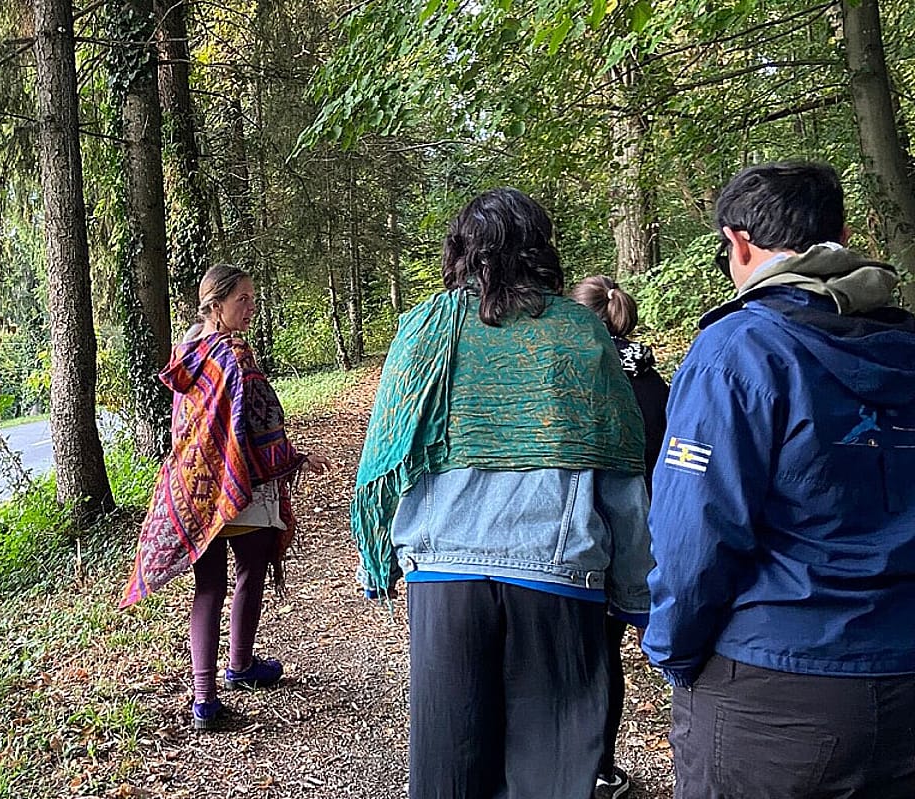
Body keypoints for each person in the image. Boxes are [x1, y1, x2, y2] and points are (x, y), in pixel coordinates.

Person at [351, 187, 653, 798]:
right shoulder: (580, 334)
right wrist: (634, 590)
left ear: (461, 252)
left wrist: (380, 557)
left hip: (444, 575)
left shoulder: (425, 329)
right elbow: (622, 470)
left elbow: (384, 456)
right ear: (540, 251)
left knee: (450, 775)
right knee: (552, 775)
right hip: (557, 574)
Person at [642, 161, 915, 798]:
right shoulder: (904, 348)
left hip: (775, 688)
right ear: (840, 235)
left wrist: (673, 652)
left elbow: (695, 533)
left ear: (738, 243)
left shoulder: (739, 350)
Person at [120, 264, 331, 731]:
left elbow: (190, 418)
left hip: (195, 483)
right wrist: (293, 457)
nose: (251, 306)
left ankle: (204, 699)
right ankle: (239, 666)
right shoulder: (233, 351)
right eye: (242, 299)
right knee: (252, 566)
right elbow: (259, 417)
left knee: (209, 584)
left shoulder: (188, 348)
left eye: (253, 297)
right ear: (216, 305)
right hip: (239, 479)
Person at [572, 275, 669, 799]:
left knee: (571, 653)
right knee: (608, 656)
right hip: (641, 537)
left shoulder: (577, 378)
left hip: (575, 537)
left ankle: (564, 767)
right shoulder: (655, 383)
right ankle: (602, 767)